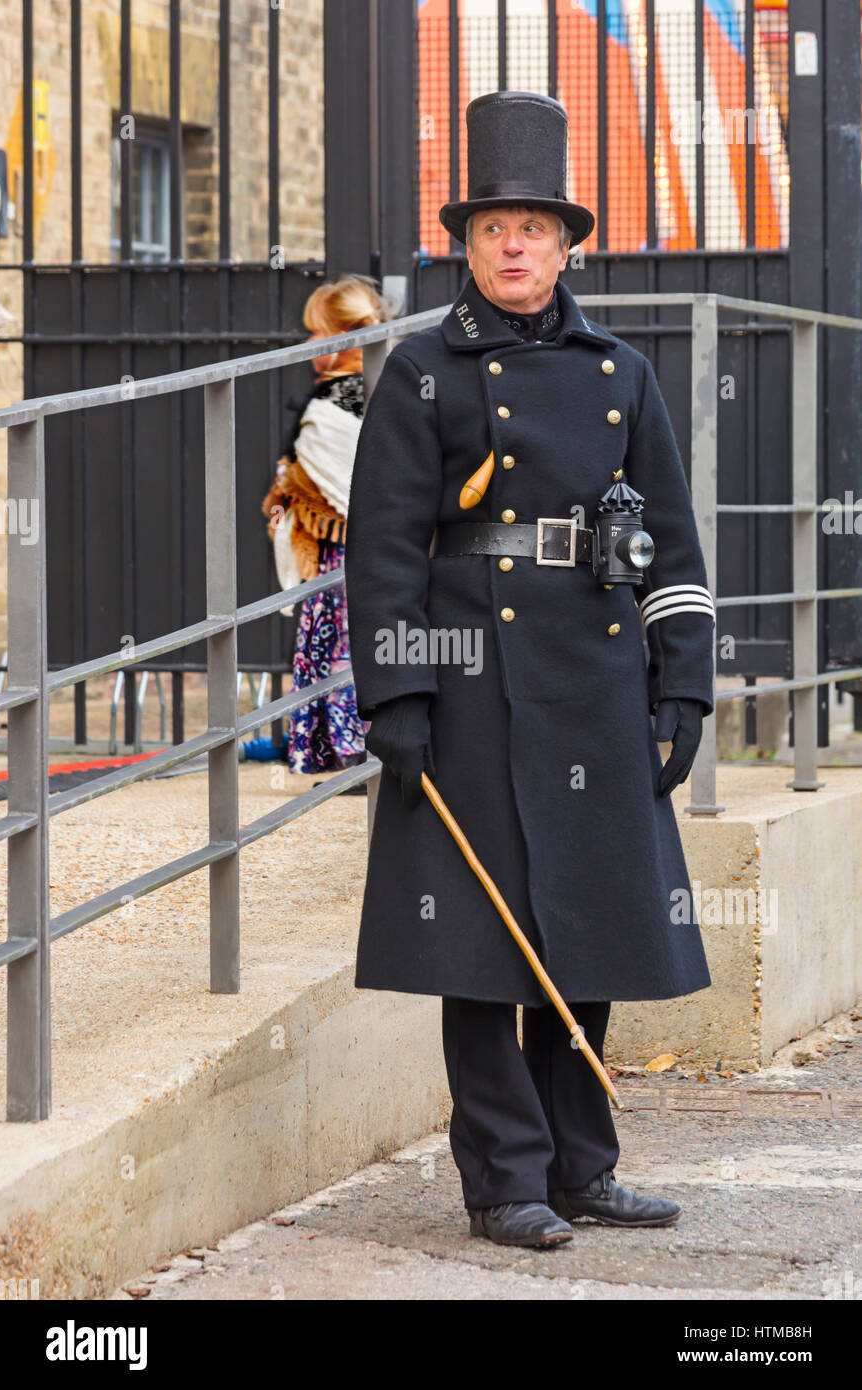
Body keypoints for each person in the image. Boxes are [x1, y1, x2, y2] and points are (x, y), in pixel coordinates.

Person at [343, 91, 716, 1249]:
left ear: (565, 247)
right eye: (493, 226)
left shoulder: (621, 369)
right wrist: (399, 693)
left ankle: (580, 1166)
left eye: (535, 227)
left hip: (595, 678)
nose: (514, 245)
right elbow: (385, 547)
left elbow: (668, 528)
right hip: (468, 686)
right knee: (479, 935)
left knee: (592, 923)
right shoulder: (418, 372)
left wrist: (685, 681)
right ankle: (503, 1179)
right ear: (466, 243)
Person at [261, 274, 390, 776]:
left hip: (340, 558)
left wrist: (285, 485)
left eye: (317, 333)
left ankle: (346, 748)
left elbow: (332, 483)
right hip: (377, 556)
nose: (309, 344)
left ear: (343, 339)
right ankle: (357, 747)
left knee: (339, 646)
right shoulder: (386, 389)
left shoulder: (329, 406)